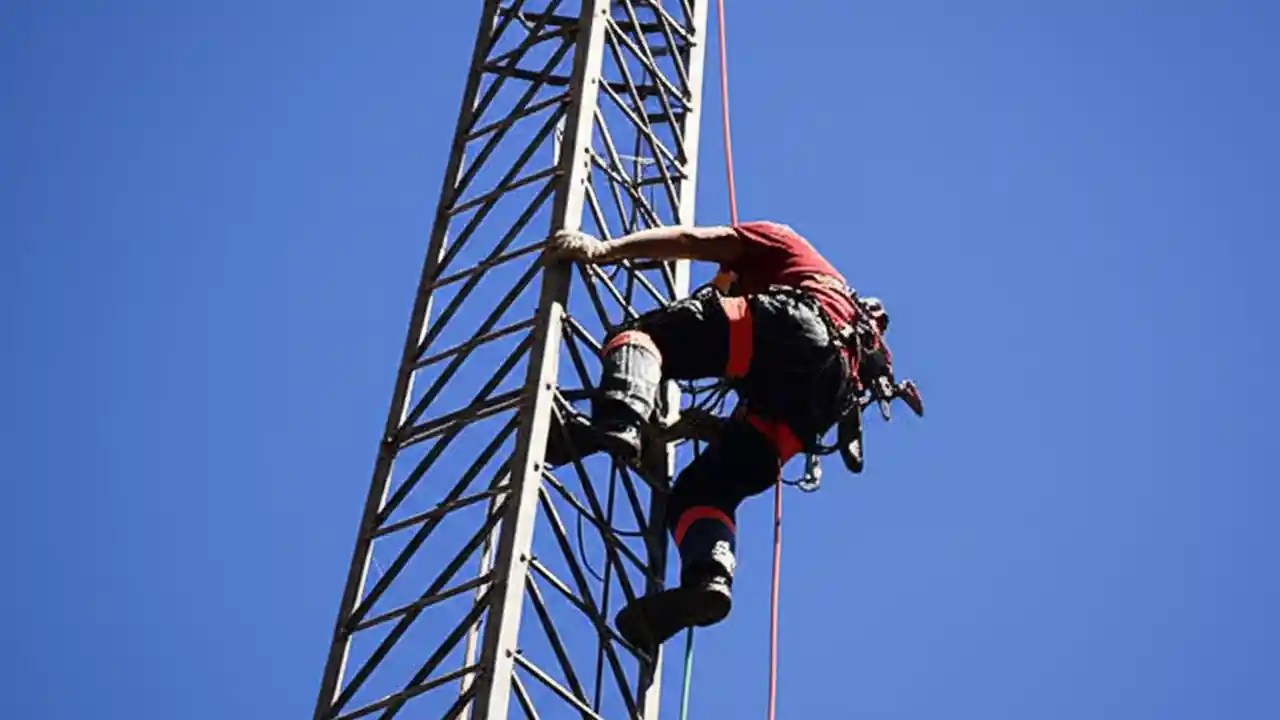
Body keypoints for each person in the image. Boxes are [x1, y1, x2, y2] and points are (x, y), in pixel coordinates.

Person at [543, 221, 905, 651]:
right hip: (816, 407)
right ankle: (708, 579)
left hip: (797, 329)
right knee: (703, 493)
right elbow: (776, 381)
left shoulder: (781, 242)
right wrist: (705, 428)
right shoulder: (853, 329)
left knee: (645, 336)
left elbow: (693, 242)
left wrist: (605, 250)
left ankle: (618, 420)